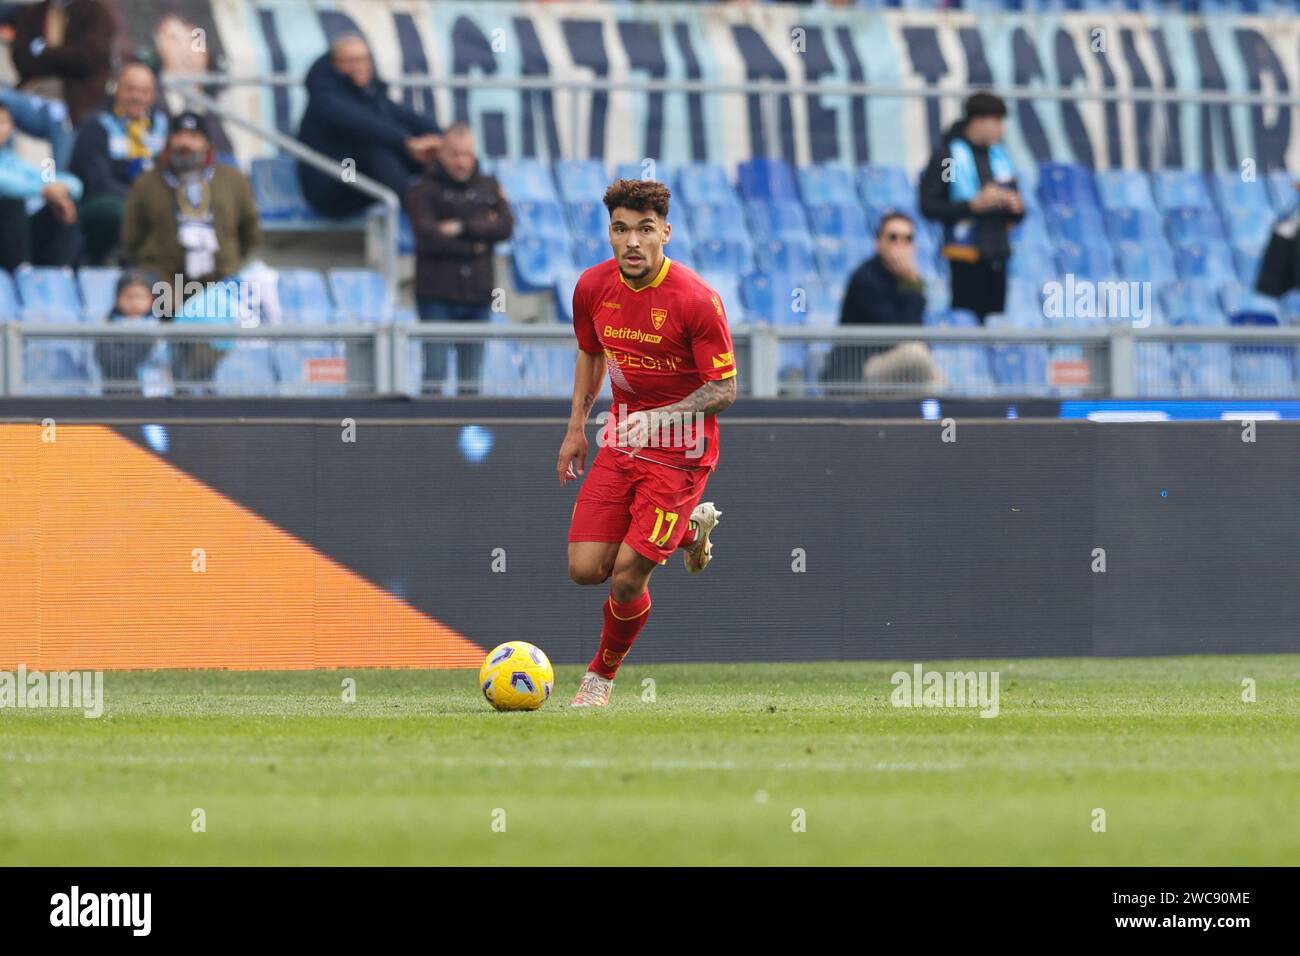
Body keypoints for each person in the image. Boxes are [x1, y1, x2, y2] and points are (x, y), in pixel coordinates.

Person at [557, 178, 737, 708]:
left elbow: (725, 388)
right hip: (621, 438)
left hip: (680, 451)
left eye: (644, 229)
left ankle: (599, 678)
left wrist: (660, 419)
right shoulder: (592, 287)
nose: (632, 241)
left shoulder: (697, 300)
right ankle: (689, 530)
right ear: (609, 233)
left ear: (665, 232)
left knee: (628, 574)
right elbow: (591, 354)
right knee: (586, 569)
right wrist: (574, 429)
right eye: (620, 229)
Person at [121, 110, 259, 381]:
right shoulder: (148, 183)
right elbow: (131, 236)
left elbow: (250, 231)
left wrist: (228, 264)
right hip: (163, 284)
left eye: (194, 136)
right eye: (179, 135)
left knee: (208, 348)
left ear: (207, 142)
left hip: (219, 285)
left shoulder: (232, 180)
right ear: (169, 141)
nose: (185, 142)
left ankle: (199, 400)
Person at [405, 123, 513, 395]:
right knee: (434, 374)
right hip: (436, 297)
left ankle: (467, 434)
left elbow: (505, 226)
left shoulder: (489, 186)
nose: (461, 162)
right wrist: (477, 242)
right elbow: (428, 236)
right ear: (441, 154)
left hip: (477, 298)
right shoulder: (423, 190)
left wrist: (461, 228)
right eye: (454, 154)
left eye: (466, 154)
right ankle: (429, 435)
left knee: (470, 383)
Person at [297, 34, 441, 218]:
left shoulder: (370, 92)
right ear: (335, 63)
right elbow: (360, 122)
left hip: (363, 179)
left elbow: (405, 116)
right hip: (334, 179)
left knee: (433, 155)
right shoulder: (325, 98)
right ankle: (424, 220)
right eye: (351, 60)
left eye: (364, 59)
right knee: (377, 154)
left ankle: (462, 209)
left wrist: (441, 139)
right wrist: (406, 142)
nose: (360, 65)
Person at [919, 92, 1023, 322]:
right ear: (977, 121)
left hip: (997, 255)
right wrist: (971, 206)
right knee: (965, 322)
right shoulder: (949, 159)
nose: (1001, 129)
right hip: (964, 259)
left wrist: (1017, 208)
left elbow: (1016, 207)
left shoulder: (1000, 157)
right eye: (997, 122)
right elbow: (931, 205)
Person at [823, 211, 941, 390]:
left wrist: (911, 283)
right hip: (857, 371)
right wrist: (910, 283)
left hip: (893, 369)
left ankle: (943, 407)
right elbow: (901, 332)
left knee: (920, 357)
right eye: (893, 237)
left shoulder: (910, 280)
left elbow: (916, 329)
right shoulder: (865, 278)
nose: (900, 244)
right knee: (916, 354)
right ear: (878, 243)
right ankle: (944, 410)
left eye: (907, 238)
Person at [69, 62, 169, 265]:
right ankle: (109, 262)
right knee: (124, 212)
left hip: (148, 201)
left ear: (153, 95)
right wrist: (142, 200)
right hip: (102, 203)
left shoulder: (162, 125)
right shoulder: (96, 124)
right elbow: (97, 181)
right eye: (130, 89)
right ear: (117, 89)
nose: (137, 97)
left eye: (144, 91)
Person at [0, 101, 82, 271]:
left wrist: (60, 190)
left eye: (2, 123)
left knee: (60, 206)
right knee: (11, 203)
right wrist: (43, 190)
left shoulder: (13, 162)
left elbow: (74, 184)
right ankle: (21, 270)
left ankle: (59, 273)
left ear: (11, 128)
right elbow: (5, 184)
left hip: (20, 236)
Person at [7, 0, 114, 127]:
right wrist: (65, 56)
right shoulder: (33, 13)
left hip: (76, 104)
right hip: (30, 94)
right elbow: (21, 60)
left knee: (61, 122)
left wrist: (43, 51)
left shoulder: (95, 13)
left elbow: (87, 59)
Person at [94, 270, 166, 392]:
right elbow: (109, 360)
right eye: (128, 297)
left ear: (152, 300)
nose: (134, 302)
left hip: (155, 394)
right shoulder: (108, 328)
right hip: (120, 394)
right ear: (117, 299)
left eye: (140, 297)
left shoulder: (158, 328)